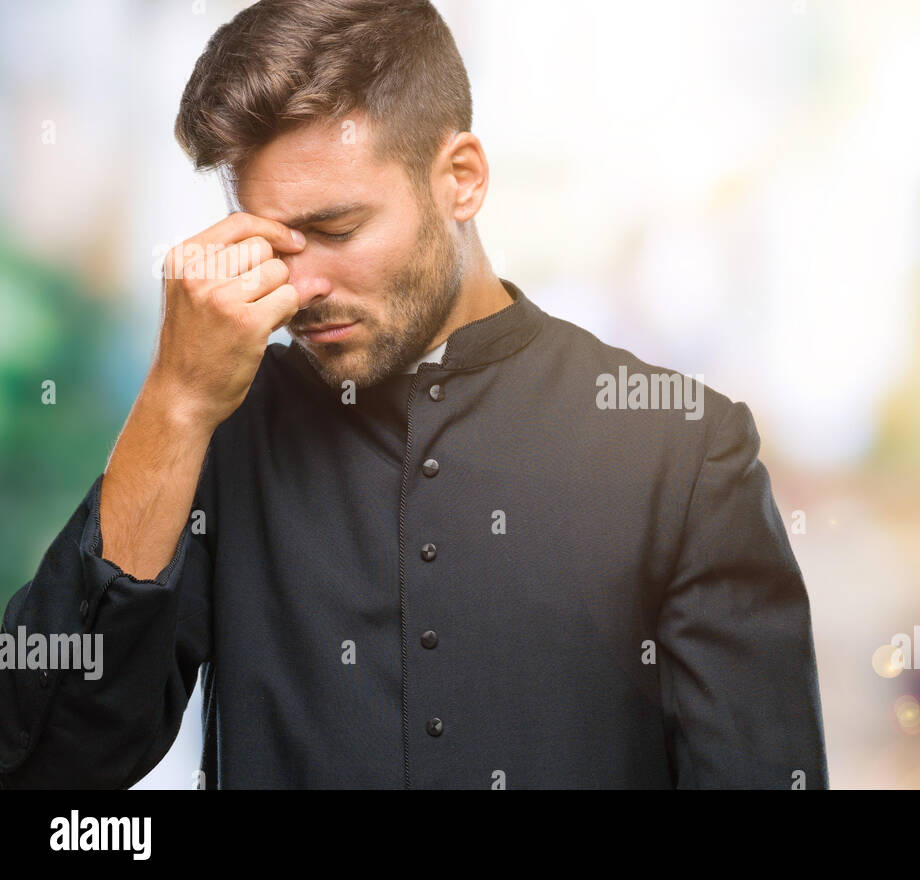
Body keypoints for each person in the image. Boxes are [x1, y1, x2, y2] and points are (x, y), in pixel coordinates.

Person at [0, 0, 828, 789]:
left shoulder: (683, 451)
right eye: (270, 243)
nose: (304, 285)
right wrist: (174, 402)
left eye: (335, 230)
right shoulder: (224, 424)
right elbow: (52, 762)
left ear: (461, 179)